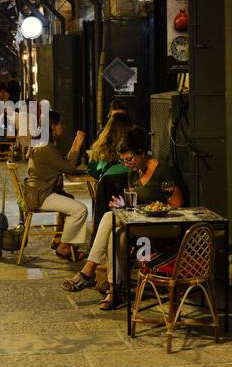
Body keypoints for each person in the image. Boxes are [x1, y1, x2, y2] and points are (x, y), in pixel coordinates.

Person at [62, 126, 183, 310]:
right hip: (139, 223)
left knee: (110, 218)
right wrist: (123, 204)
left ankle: (89, 271)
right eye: (124, 160)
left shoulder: (162, 170)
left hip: (164, 225)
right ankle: (114, 292)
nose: (127, 163)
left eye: (129, 159)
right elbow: (133, 202)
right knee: (116, 235)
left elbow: (177, 204)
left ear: (142, 153)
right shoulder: (133, 173)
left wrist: (154, 209)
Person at [17, 110, 88, 260]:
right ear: (52, 126)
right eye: (61, 123)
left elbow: (62, 164)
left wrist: (75, 145)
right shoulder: (45, 147)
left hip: (36, 192)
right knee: (80, 210)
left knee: (68, 198)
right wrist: (77, 146)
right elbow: (69, 168)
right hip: (40, 195)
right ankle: (64, 246)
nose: (64, 126)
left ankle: (58, 238)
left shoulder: (43, 144)